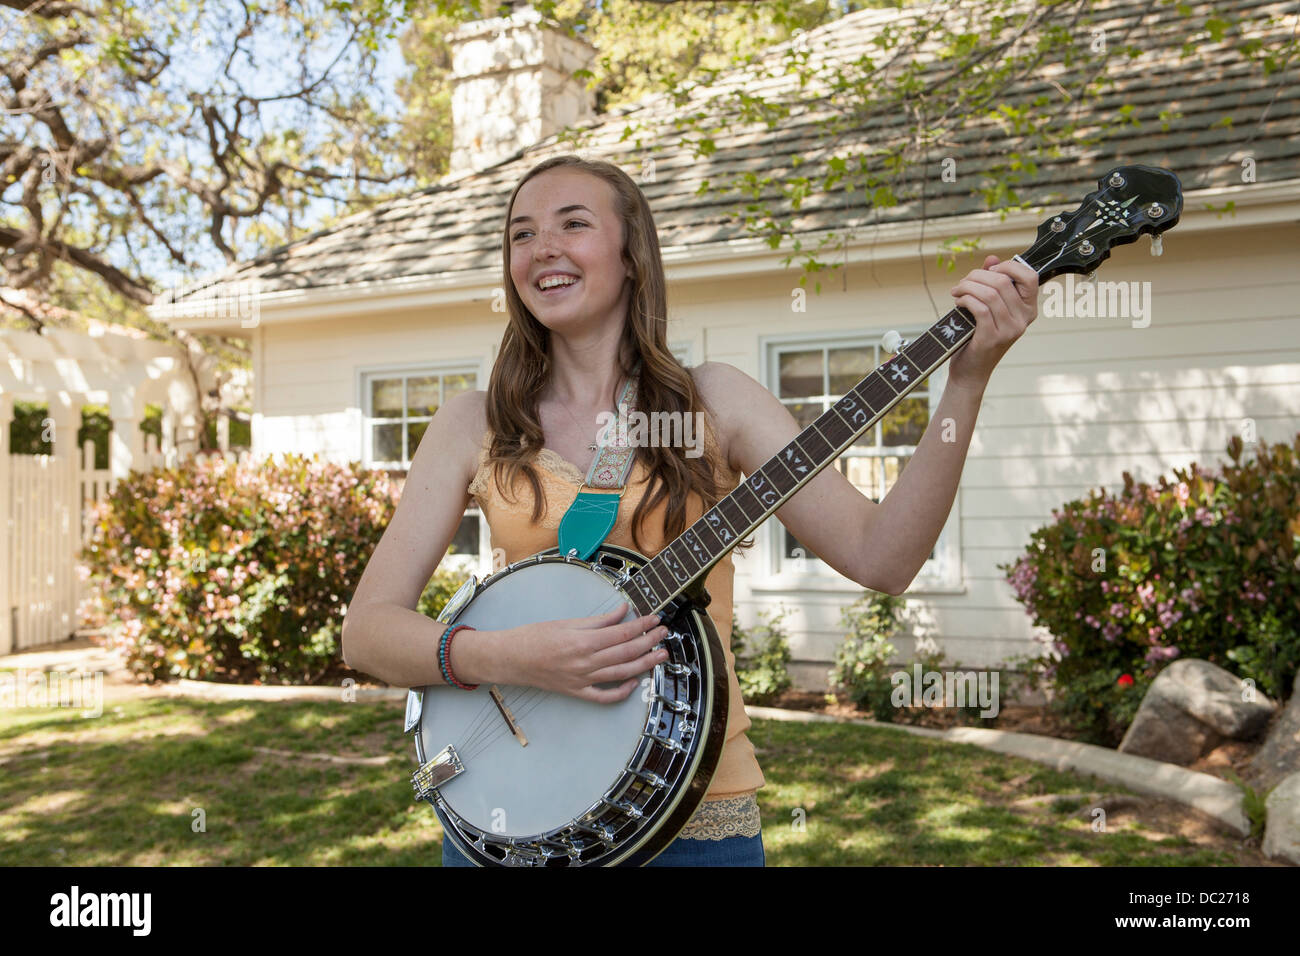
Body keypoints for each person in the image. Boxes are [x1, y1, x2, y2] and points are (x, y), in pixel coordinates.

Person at [341, 154, 1039, 867]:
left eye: (572, 224)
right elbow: (365, 633)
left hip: (691, 814)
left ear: (632, 254)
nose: (542, 247)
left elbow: (883, 557)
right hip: (516, 810)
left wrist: (966, 382)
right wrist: (505, 656)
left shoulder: (717, 402)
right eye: (521, 234)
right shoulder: (474, 423)